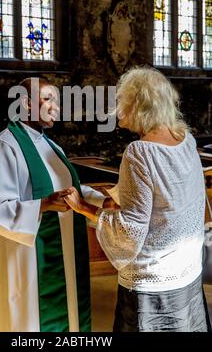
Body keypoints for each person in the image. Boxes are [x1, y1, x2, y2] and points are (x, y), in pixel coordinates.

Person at [65, 66, 212, 332]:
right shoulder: (185, 139)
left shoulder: (139, 152)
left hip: (154, 283)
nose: (118, 106)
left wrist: (83, 207)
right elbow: (171, 195)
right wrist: (118, 197)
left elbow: (130, 230)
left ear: (138, 105)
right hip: (188, 271)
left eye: (122, 100)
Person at [0, 77, 114, 332]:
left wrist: (100, 199)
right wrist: (43, 205)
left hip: (64, 250)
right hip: (28, 259)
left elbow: (67, 187)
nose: (56, 108)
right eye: (48, 99)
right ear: (27, 104)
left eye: (57, 101)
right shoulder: (5, 146)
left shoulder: (51, 145)